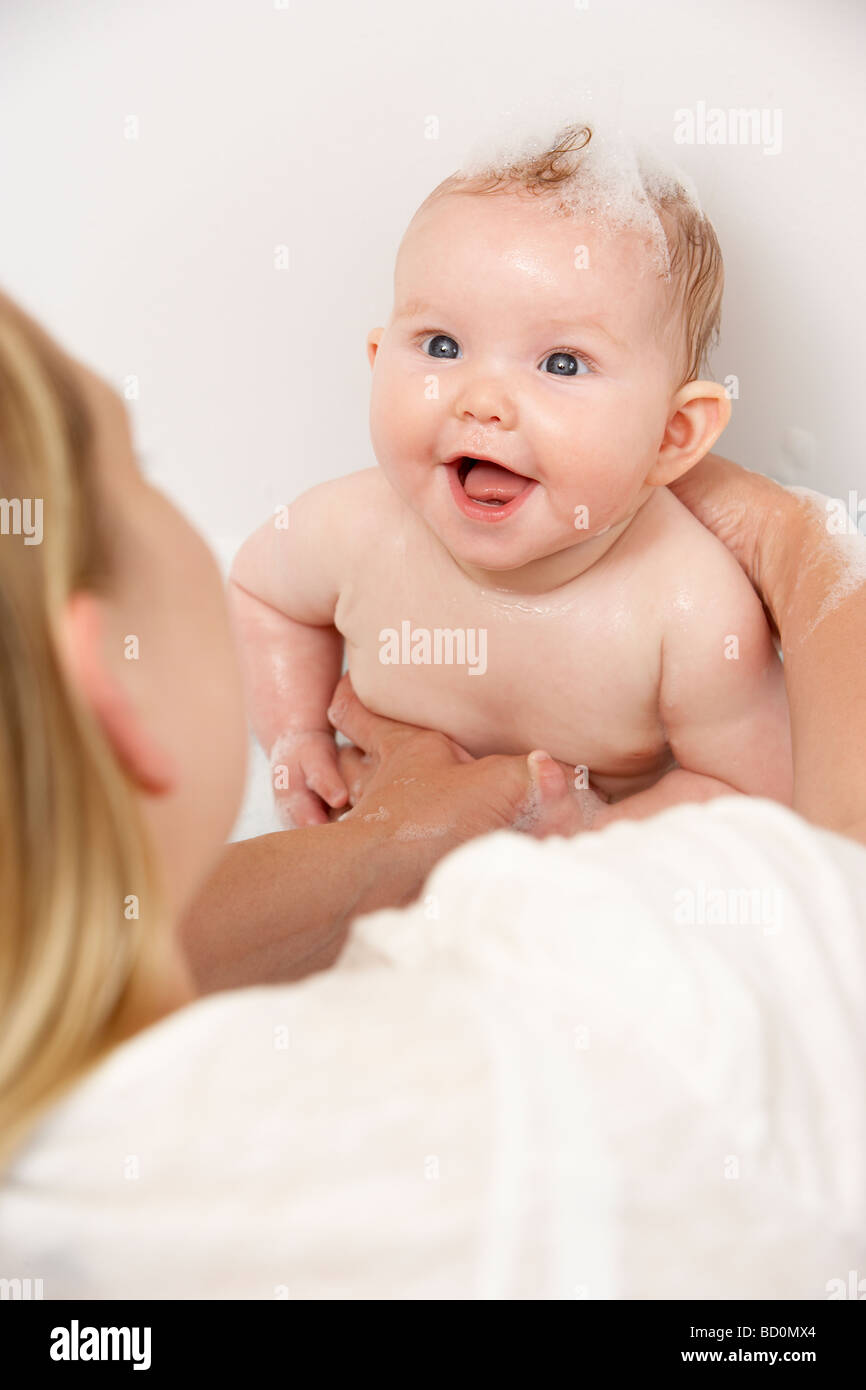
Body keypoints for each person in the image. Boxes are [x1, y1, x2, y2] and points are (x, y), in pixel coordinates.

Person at [0, 287, 863, 1298]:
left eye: (559, 365)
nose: (484, 401)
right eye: (141, 475)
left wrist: (378, 848)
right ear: (109, 690)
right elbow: (834, 905)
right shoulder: (545, 1072)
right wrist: (803, 546)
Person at [230, 122, 791, 831]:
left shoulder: (690, 609)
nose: (483, 400)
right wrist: (295, 733)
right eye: (442, 346)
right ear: (378, 362)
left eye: (561, 363)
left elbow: (751, 789)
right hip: (378, 841)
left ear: (672, 437)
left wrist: (597, 832)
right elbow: (263, 594)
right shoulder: (354, 527)